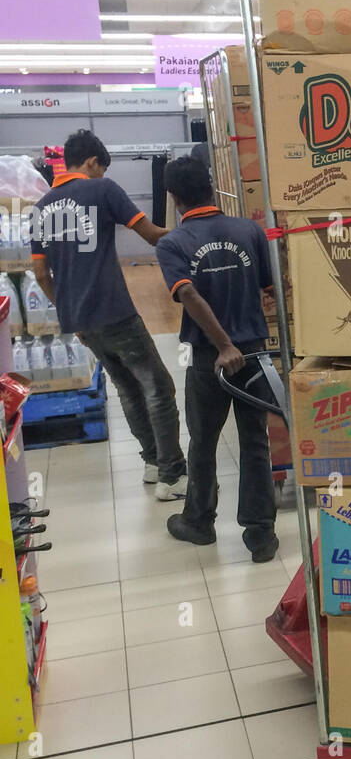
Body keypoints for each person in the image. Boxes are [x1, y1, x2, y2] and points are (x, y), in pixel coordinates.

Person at [29, 129, 187, 500]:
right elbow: (152, 235)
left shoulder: (40, 207)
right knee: (158, 387)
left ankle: (152, 462)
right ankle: (172, 476)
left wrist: (67, 310)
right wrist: (194, 231)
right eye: (101, 167)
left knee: (127, 388)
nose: (102, 173)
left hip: (80, 319)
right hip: (114, 310)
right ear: (91, 162)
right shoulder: (102, 189)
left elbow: (40, 274)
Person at [156, 156, 278, 562]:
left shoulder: (173, 243)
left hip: (211, 356)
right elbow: (270, 286)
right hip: (254, 350)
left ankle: (199, 522)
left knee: (204, 440)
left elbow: (188, 294)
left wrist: (224, 346)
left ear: (174, 197)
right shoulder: (249, 230)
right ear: (210, 186)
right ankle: (261, 536)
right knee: (255, 440)